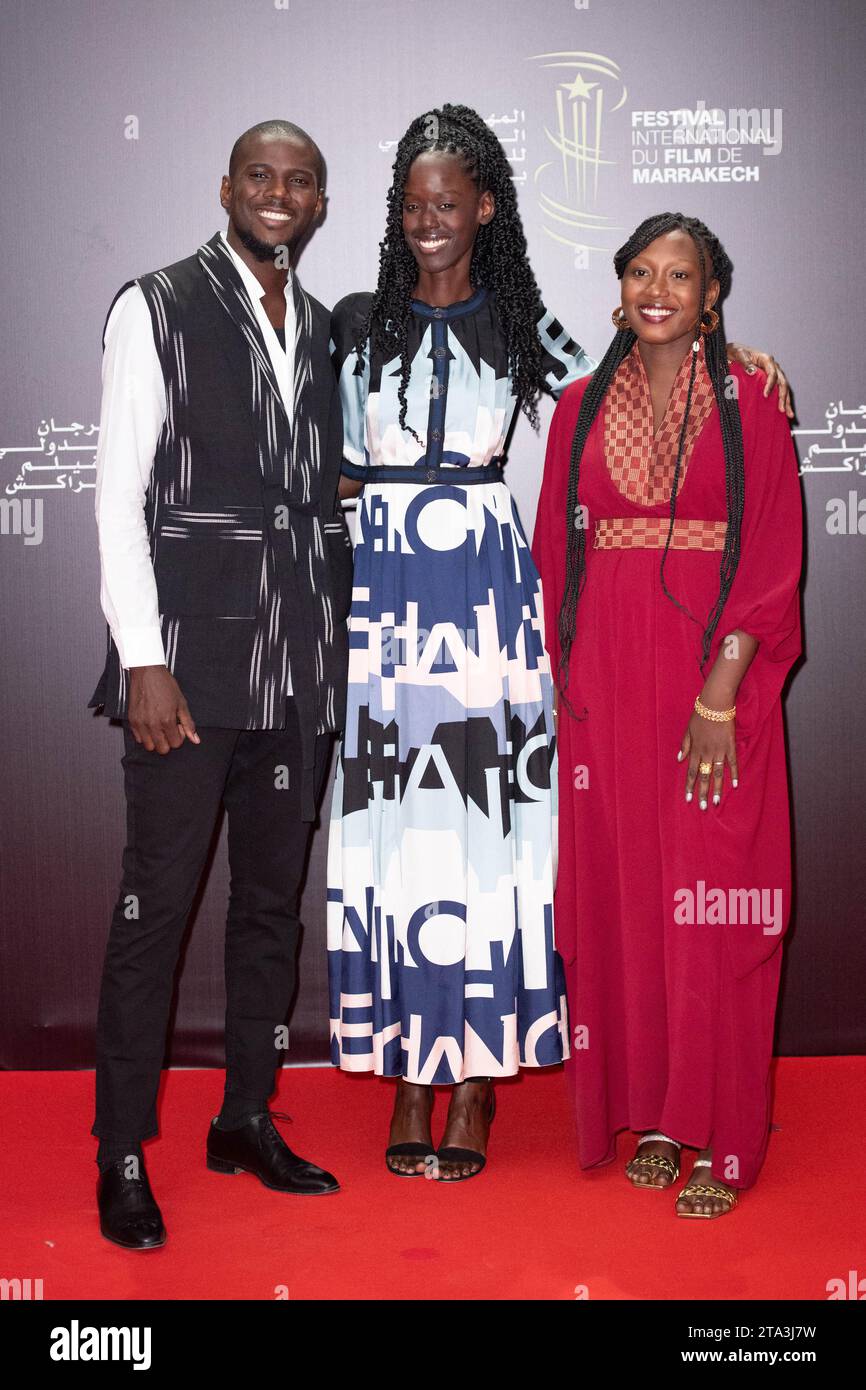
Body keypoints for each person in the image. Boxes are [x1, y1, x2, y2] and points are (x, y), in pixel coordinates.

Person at [326, 106, 788, 1182]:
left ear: (485, 205)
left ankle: (477, 1077)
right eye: (412, 203)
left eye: (450, 201)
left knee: (483, 838)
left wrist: (738, 354)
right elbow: (320, 457)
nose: (429, 219)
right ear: (395, 213)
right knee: (395, 838)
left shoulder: (529, 329)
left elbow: (637, 359)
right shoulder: (352, 322)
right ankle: (407, 1069)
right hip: (388, 599)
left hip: (488, 607)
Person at [89, 121, 353, 1247]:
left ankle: (245, 1112)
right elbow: (114, 494)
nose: (279, 195)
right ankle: (120, 1147)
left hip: (299, 664)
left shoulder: (329, 328)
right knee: (153, 912)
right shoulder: (153, 304)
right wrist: (143, 657)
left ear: (320, 202)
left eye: (300, 181)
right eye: (261, 177)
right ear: (227, 188)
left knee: (267, 908)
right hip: (189, 669)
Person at [532, 212, 802, 1217]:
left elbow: (770, 561)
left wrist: (719, 696)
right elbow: (554, 560)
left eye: (677, 275)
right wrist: (570, 689)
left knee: (713, 907)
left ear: (710, 296)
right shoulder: (573, 407)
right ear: (618, 288)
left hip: (710, 693)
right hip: (606, 687)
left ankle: (717, 1132)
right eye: (639, 270)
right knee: (626, 903)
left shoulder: (751, 403)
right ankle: (650, 1112)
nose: (656, 288)